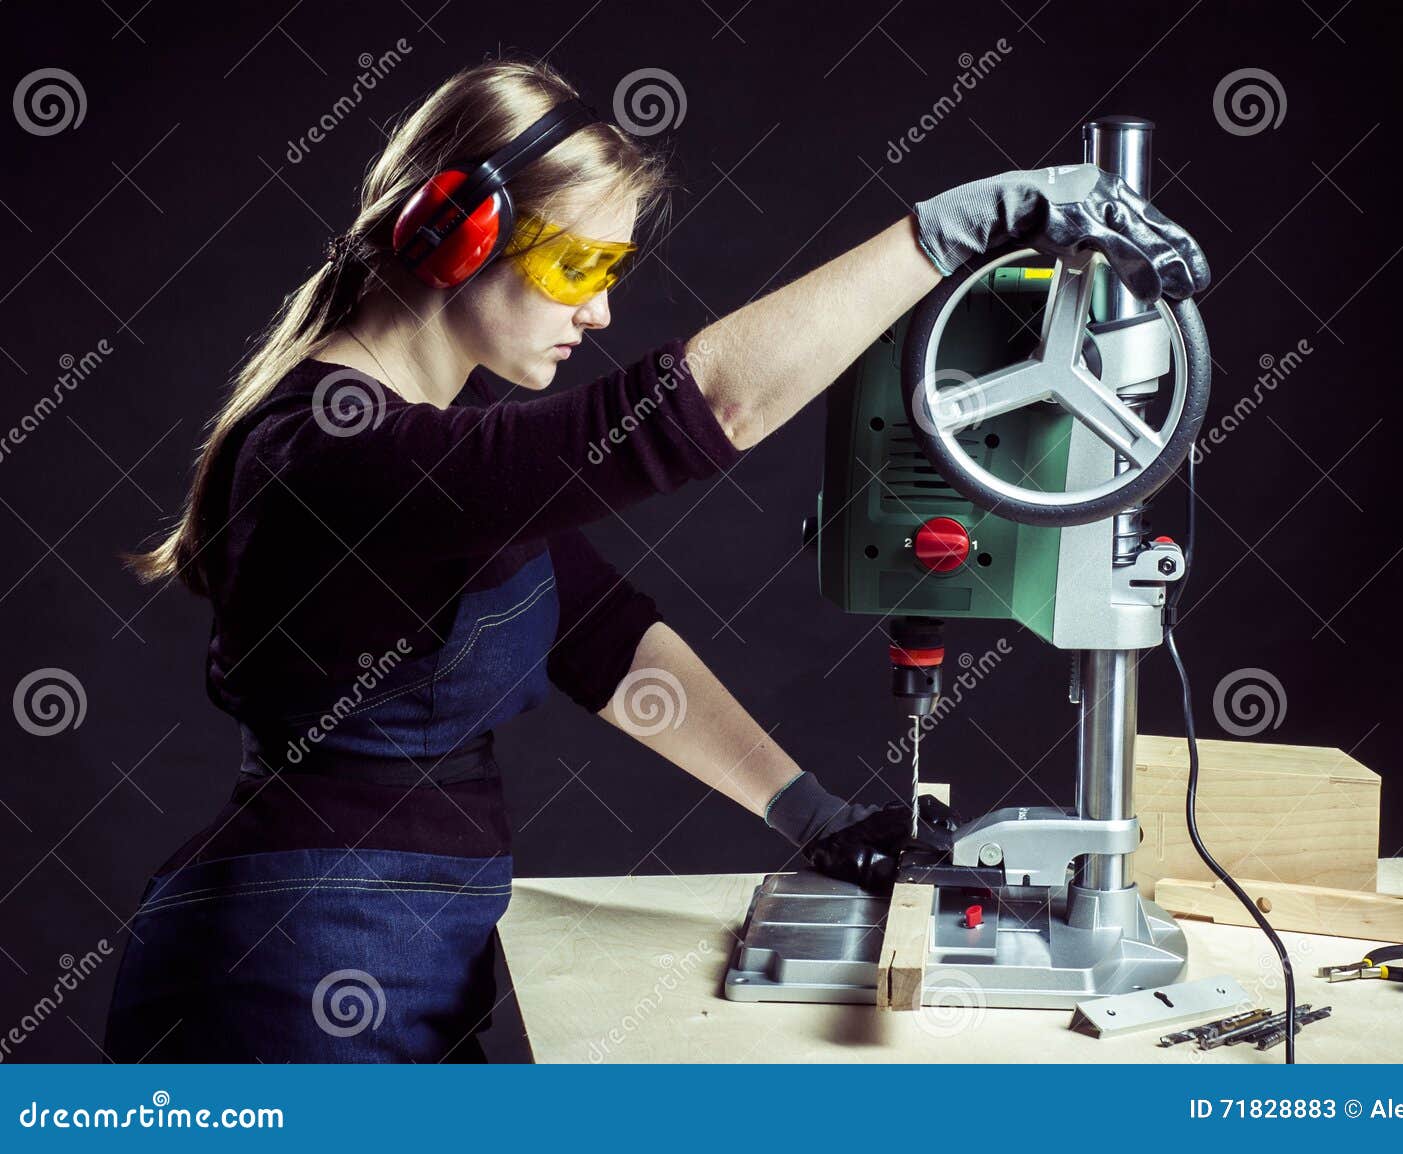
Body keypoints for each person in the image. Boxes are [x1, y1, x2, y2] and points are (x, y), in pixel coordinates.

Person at [104, 58, 1208, 1062]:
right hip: (284, 981)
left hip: (399, 952)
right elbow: (694, 409)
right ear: (456, 236)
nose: (598, 308)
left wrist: (809, 813)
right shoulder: (345, 449)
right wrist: (950, 230)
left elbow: (598, 635)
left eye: (614, 267)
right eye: (577, 263)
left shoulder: (432, 436)